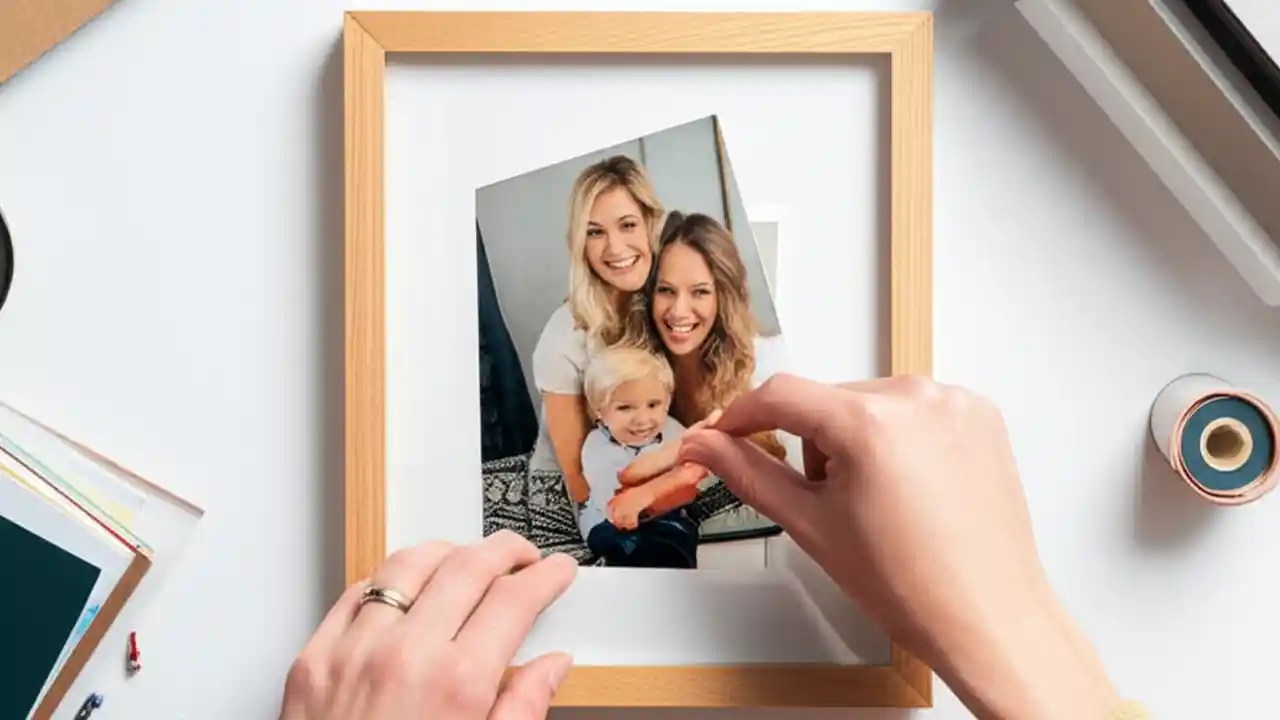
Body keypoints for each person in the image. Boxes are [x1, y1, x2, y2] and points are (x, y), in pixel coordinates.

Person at [277, 374, 1148, 720]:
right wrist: (1021, 631)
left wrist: (1016, 625)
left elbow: (676, 476)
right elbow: (602, 487)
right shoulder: (596, 437)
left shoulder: (675, 430)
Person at [526, 155, 666, 507]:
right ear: (580, 244)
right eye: (595, 232)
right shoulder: (563, 339)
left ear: (650, 224)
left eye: (628, 225)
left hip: (653, 468)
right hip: (581, 491)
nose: (615, 248)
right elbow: (579, 481)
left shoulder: (670, 305)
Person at [575, 346, 700, 569]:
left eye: (653, 405)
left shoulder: (674, 432)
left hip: (666, 514)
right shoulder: (596, 447)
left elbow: (689, 478)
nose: (642, 419)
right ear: (599, 411)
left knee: (680, 536)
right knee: (622, 545)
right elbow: (614, 503)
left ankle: (675, 570)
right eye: (625, 408)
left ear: (667, 401)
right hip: (609, 518)